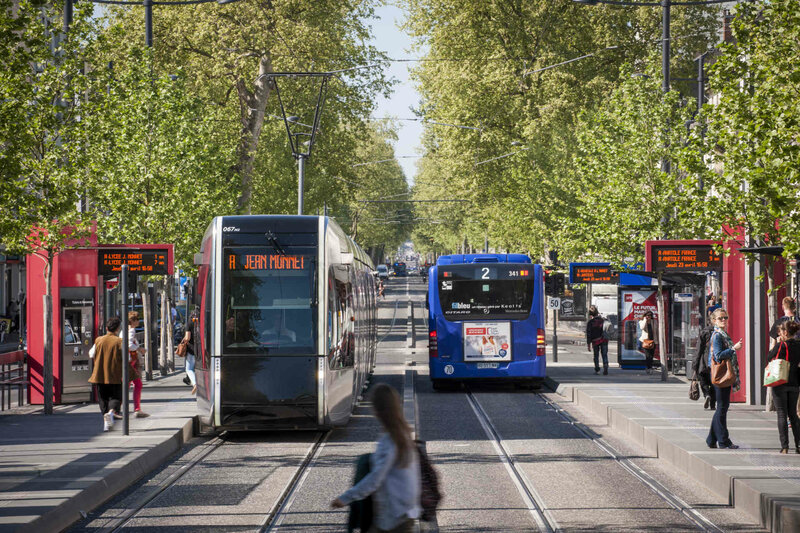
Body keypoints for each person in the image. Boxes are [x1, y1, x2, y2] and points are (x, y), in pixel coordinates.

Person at [331, 384, 421, 533]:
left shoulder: (390, 440)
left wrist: (345, 498)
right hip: (406, 512)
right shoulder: (404, 434)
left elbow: (375, 479)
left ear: (377, 410)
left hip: (392, 516)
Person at [706, 308, 742, 450]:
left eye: (725, 317)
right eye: (720, 318)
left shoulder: (722, 334)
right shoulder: (717, 336)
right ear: (714, 320)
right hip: (721, 375)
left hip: (722, 375)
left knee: (722, 407)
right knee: (722, 407)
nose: (723, 320)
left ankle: (711, 439)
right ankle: (723, 441)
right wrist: (734, 348)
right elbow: (718, 355)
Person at [765, 320, 800, 454]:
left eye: (780, 331)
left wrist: (775, 343)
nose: (779, 333)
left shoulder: (781, 345)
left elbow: (769, 357)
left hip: (780, 382)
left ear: (785, 332)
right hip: (794, 383)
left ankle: (784, 446)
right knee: (793, 415)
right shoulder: (798, 345)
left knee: (782, 414)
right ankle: (798, 445)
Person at [88, 317, 124, 432]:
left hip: (99, 374)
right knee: (116, 396)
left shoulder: (99, 340)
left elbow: (91, 354)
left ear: (107, 328)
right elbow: (126, 357)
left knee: (103, 398)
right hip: (114, 375)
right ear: (117, 329)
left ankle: (107, 423)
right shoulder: (119, 341)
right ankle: (111, 412)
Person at [127, 312, 149, 418]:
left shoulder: (125, 331)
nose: (139, 321)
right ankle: (115, 409)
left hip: (131, 362)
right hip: (131, 363)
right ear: (133, 321)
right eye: (137, 319)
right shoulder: (131, 331)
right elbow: (129, 345)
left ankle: (136, 408)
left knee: (131, 385)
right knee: (136, 385)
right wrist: (140, 349)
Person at [692, 321, 716, 410]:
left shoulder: (703, 332)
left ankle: (706, 394)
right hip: (714, 362)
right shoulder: (719, 333)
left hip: (703, 361)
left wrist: (695, 364)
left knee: (703, 381)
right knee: (713, 383)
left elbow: (698, 349)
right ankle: (713, 404)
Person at [586, 306, 609, 375]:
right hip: (604, 340)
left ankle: (597, 369)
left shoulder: (590, 323)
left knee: (596, 355)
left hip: (595, 341)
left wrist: (588, 345)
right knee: (604, 354)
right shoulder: (603, 320)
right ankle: (605, 366)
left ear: (590, 314)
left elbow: (588, 334)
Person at [181, 309, 197, 395]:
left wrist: (183, 340)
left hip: (191, 350)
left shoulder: (189, 323)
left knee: (189, 369)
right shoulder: (201, 322)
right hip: (201, 349)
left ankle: (195, 383)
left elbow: (187, 337)